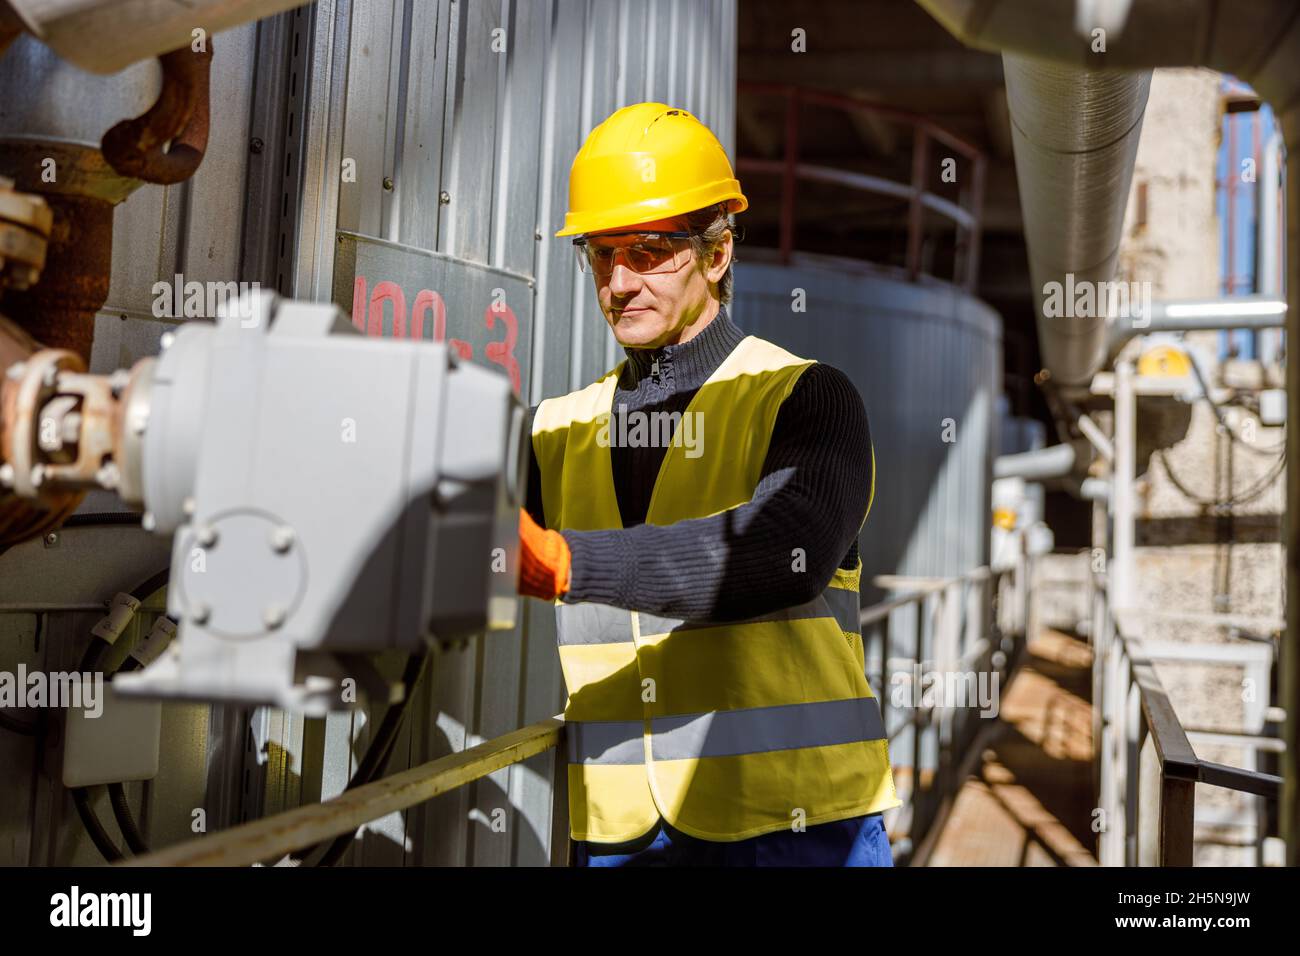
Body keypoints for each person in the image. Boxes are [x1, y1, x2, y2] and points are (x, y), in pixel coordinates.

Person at [517, 102, 901, 866]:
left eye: (651, 251)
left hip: (800, 825)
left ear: (718, 253)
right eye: (601, 254)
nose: (619, 282)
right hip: (623, 835)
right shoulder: (555, 429)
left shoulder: (806, 398)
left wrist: (566, 563)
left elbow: (783, 551)